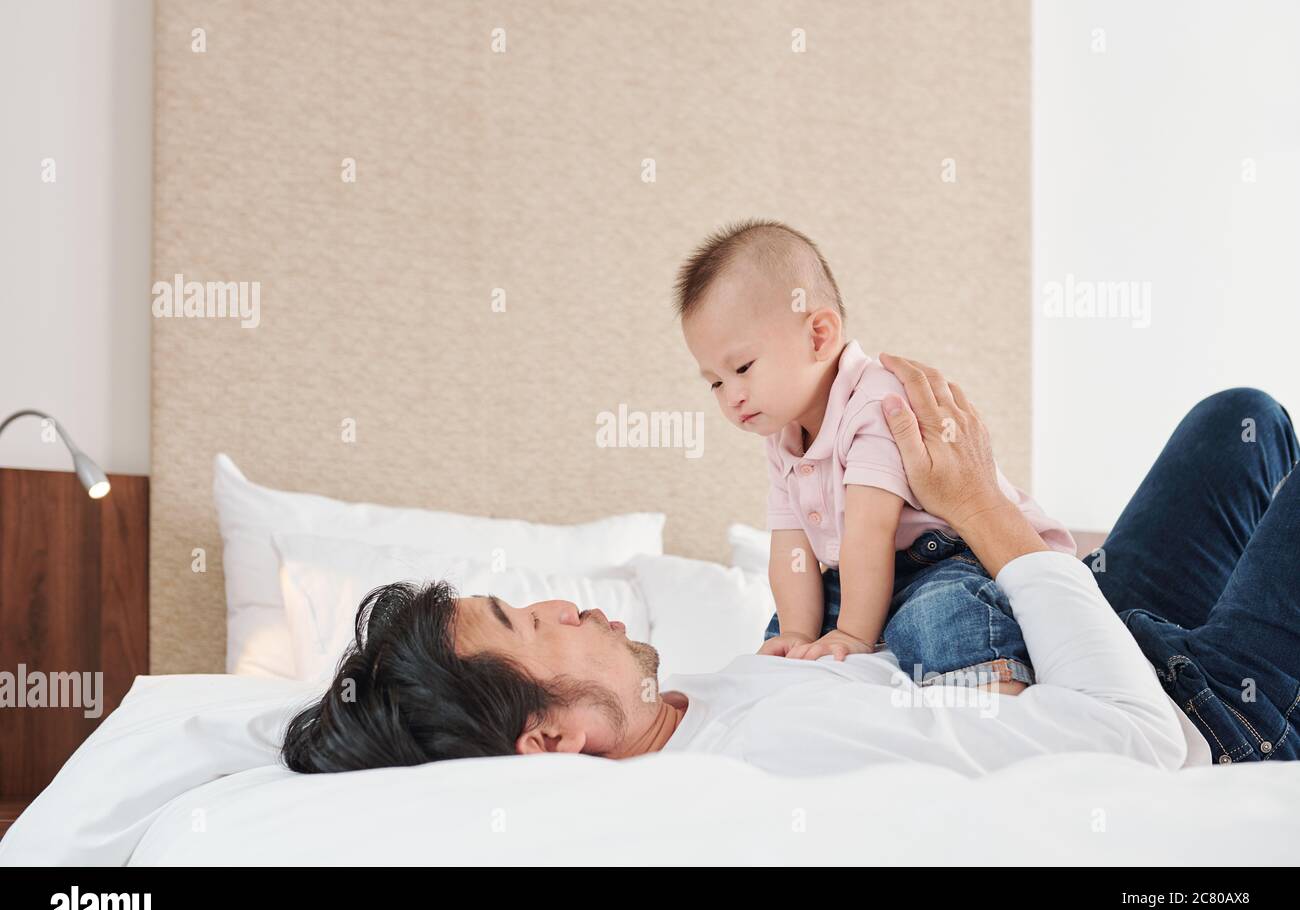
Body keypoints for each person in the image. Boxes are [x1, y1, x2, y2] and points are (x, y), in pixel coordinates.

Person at [281, 355, 1299, 776]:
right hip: (1195, 713)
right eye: (526, 621)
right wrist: (984, 509)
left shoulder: (708, 691)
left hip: (1108, 628)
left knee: (1240, 421)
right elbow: (1131, 737)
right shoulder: (775, 756)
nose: (562, 602)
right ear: (545, 735)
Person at [677, 218, 1074, 693]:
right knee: (784, 630)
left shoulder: (875, 400)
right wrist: (798, 635)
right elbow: (791, 550)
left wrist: (852, 636)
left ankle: (995, 686)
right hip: (867, 570)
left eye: (742, 367)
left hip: (955, 556)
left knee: (936, 613)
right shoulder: (783, 437)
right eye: (716, 382)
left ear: (819, 335)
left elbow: (869, 532)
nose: (731, 396)